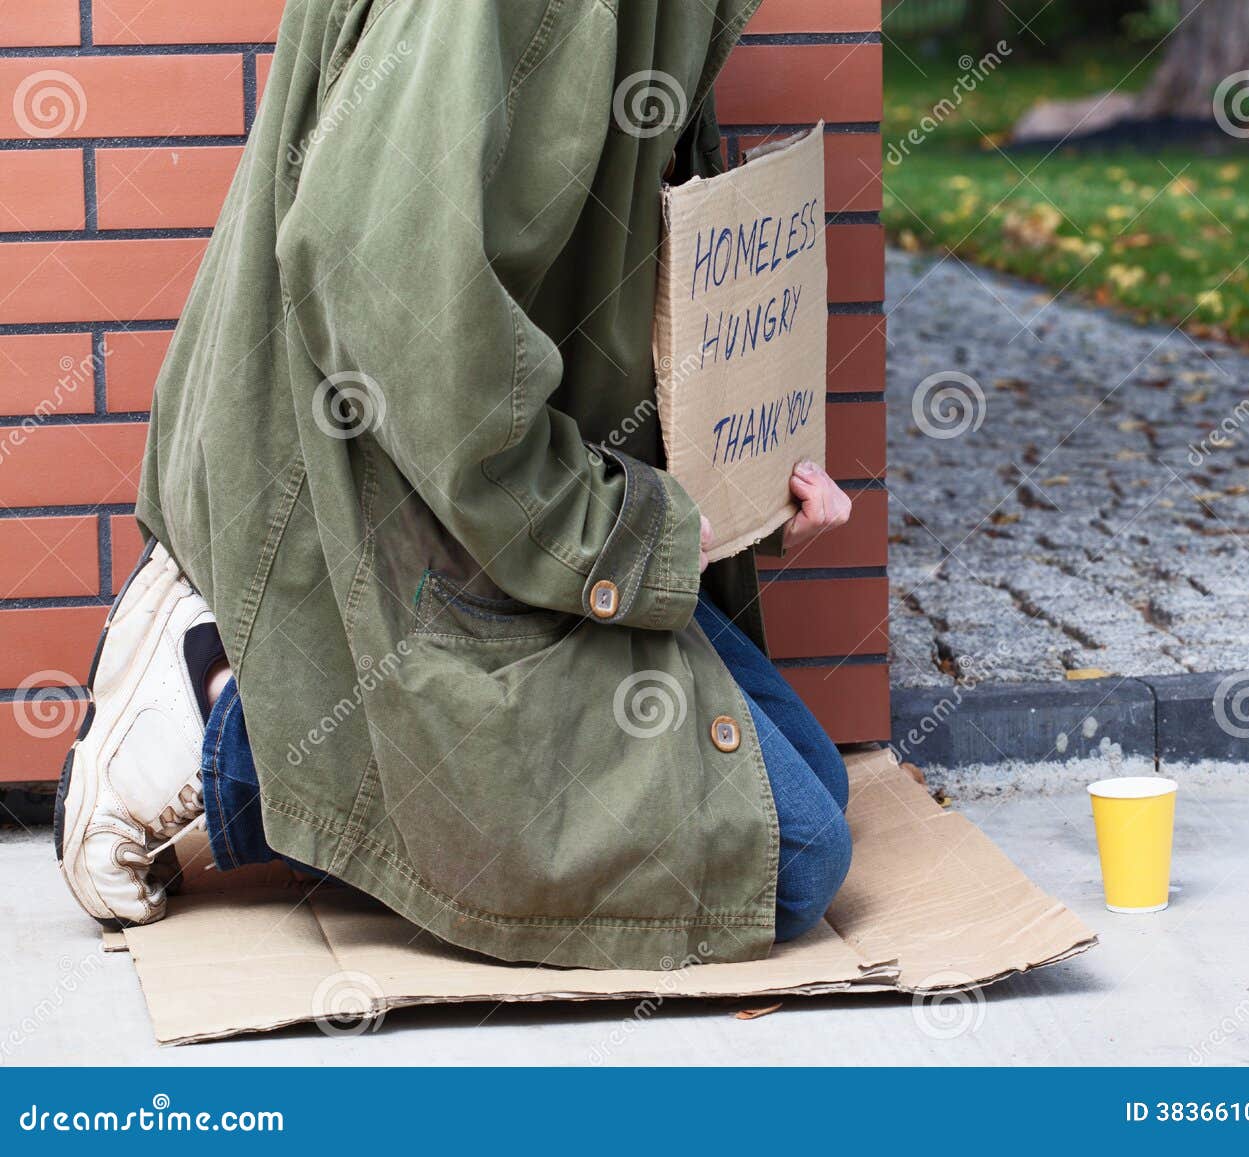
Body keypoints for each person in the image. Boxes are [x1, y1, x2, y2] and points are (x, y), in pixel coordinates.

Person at [53, 0, 855, 969]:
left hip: (482, 491)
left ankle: (255, 685)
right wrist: (617, 539)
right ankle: (221, 713)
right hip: (370, 503)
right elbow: (380, 285)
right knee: (787, 858)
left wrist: (743, 487)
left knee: (800, 793)